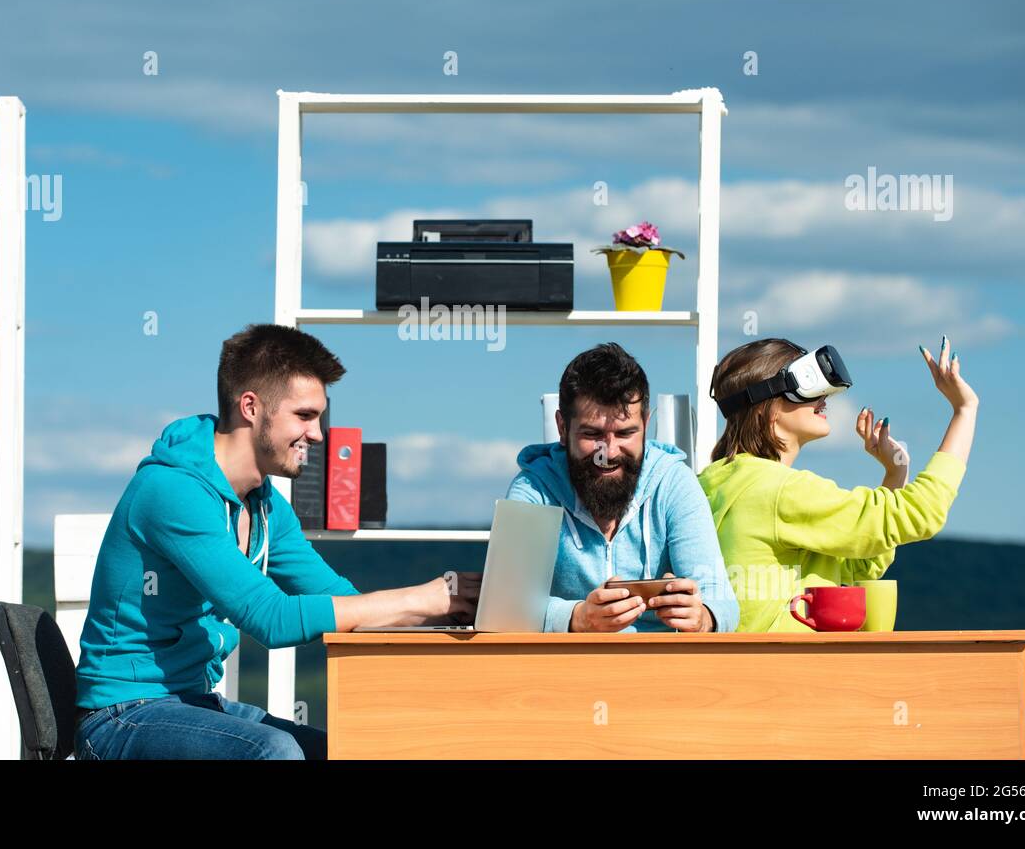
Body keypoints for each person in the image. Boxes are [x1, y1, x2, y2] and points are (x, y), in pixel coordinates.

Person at [73, 323, 479, 759]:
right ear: (251, 406)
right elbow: (269, 618)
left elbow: (339, 599)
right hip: (121, 714)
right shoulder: (173, 491)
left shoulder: (265, 506)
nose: (319, 434)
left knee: (346, 750)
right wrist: (421, 598)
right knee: (274, 751)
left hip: (192, 702)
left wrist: (458, 609)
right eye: (304, 416)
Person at [697, 336, 978, 632]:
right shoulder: (781, 491)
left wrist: (895, 474)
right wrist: (964, 411)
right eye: (806, 383)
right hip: (785, 669)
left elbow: (858, 563)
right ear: (766, 406)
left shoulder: (714, 483)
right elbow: (922, 511)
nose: (824, 398)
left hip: (736, 668)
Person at [506, 343, 739, 633]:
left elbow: (723, 601)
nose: (610, 451)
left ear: (646, 423)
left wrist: (704, 617)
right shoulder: (534, 488)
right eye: (592, 434)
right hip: (566, 667)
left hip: (659, 670)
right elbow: (507, 605)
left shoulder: (674, 481)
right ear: (562, 428)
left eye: (626, 433)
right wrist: (578, 618)